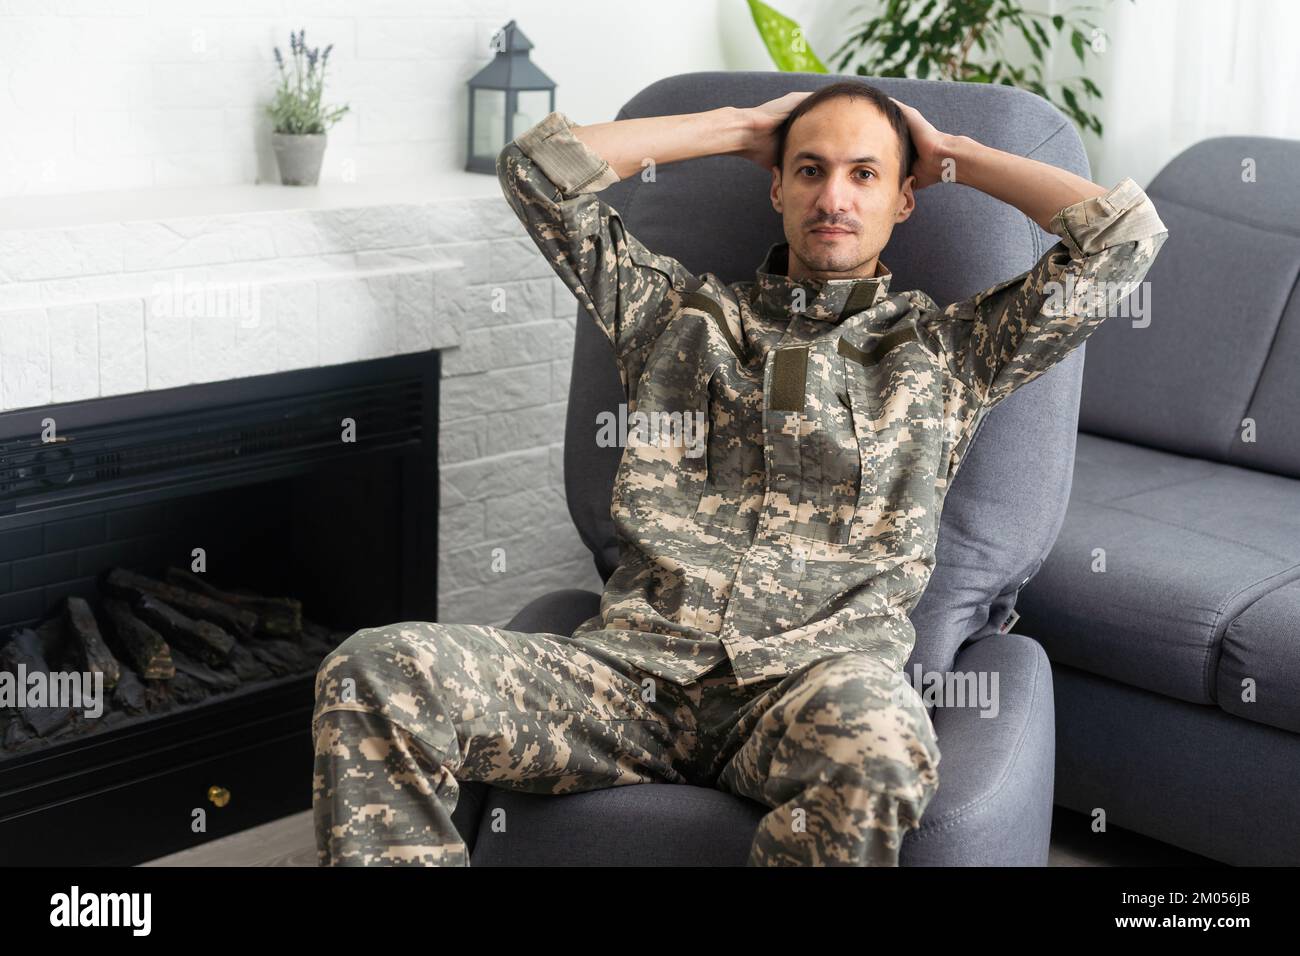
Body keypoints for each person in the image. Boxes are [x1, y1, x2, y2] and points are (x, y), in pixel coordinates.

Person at [312, 80, 1169, 866]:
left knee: (883, 744)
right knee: (374, 668)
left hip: (808, 692)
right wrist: (734, 129)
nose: (834, 196)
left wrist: (952, 154)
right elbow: (536, 172)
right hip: (627, 683)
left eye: (866, 174)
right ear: (777, 186)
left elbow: (1124, 242)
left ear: (904, 198)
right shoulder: (673, 315)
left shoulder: (948, 352)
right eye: (810, 169)